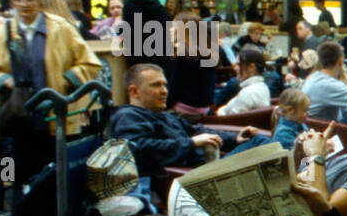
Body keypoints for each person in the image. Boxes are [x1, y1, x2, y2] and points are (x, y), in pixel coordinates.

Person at [0, 0, 103, 192]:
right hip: (18, 116)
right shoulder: (4, 31)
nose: (24, 4)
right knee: (17, 172)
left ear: (40, 0)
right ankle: (20, 214)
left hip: (55, 117)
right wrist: (4, 80)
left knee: (56, 177)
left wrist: (65, 81)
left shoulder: (61, 28)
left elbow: (90, 63)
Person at [111, 63, 269, 176]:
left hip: (210, 167)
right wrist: (192, 143)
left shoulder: (165, 115)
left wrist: (235, 138)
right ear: (134, 91)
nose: (164, 91)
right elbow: (138, 150)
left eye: (165, 85)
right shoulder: (128, 116)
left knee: (259, 142)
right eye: (156, 85)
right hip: (195, 177)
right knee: (263, 144)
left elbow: (199, 131)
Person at [112, 0, 171, 74]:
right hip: (162, 62)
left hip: (141, 64)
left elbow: (132, 39)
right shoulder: (156, 3)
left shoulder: (130, 6)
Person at [167, 11, 220, 118]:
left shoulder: (182, 56)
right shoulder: (210, 54)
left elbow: (173, 91)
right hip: (205, 111)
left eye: (173, 26)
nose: (170, 30)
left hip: (183, 112)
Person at [302, 41, 347, 121]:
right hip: (324, 130)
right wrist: (345, 77)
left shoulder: (314, 77)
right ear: (340, 62)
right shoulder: (328, 85)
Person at [217, 46, 271, 116]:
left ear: (252, 67)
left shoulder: (248, 93)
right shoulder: (263, 87)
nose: (235, 69)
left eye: (238, 65)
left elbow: (232, 120)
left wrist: (219, 112)